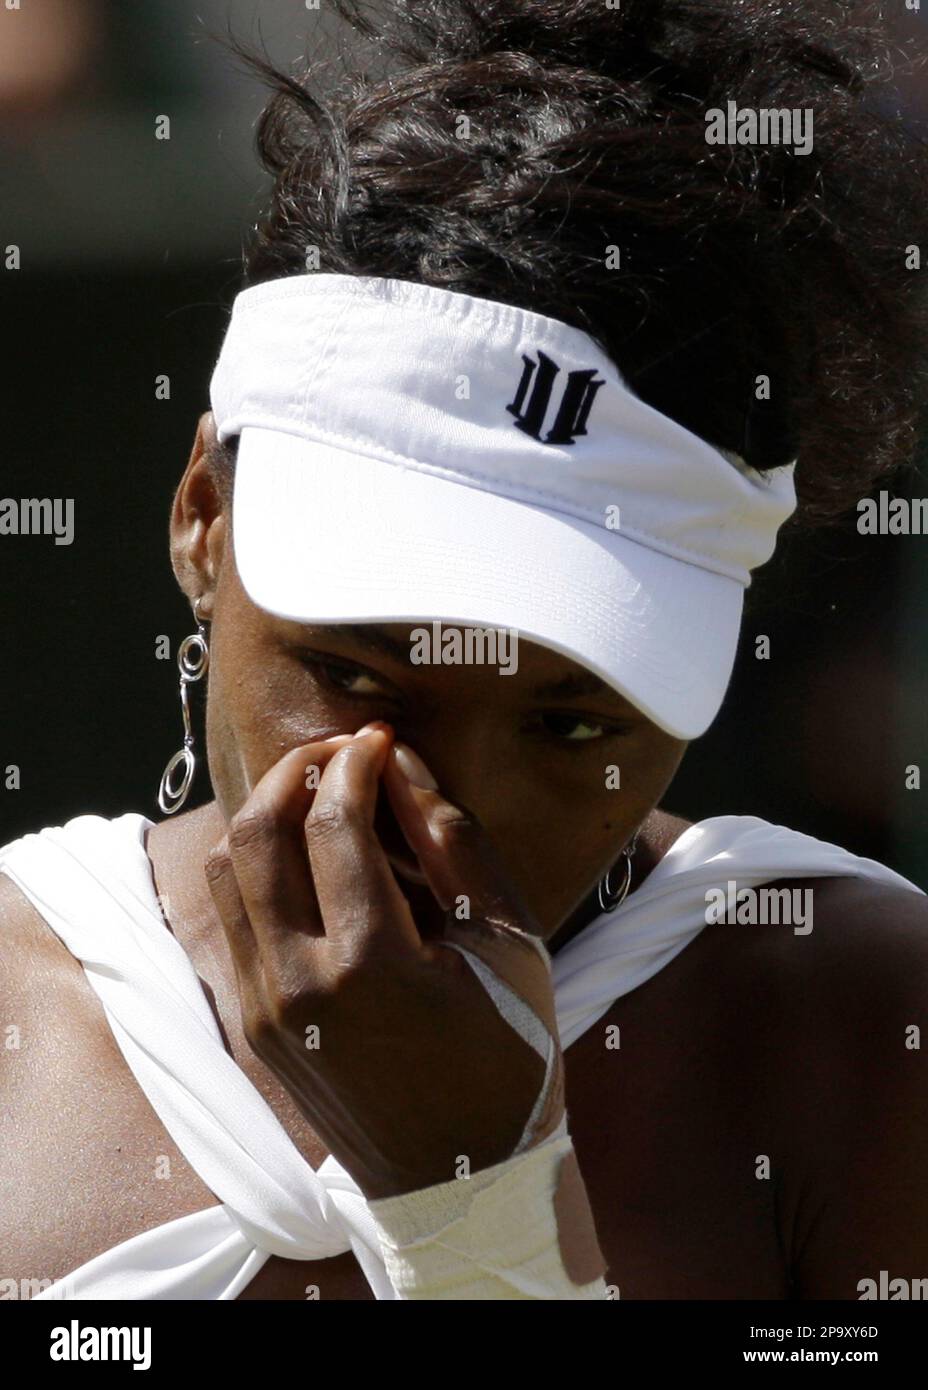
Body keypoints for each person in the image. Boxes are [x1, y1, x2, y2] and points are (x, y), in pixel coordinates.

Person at [2, 0, 928, 1301]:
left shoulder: (864, 1027)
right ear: (203, 517)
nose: (452, 807)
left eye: (573, 723)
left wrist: (477, 1201)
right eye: (362, 678)